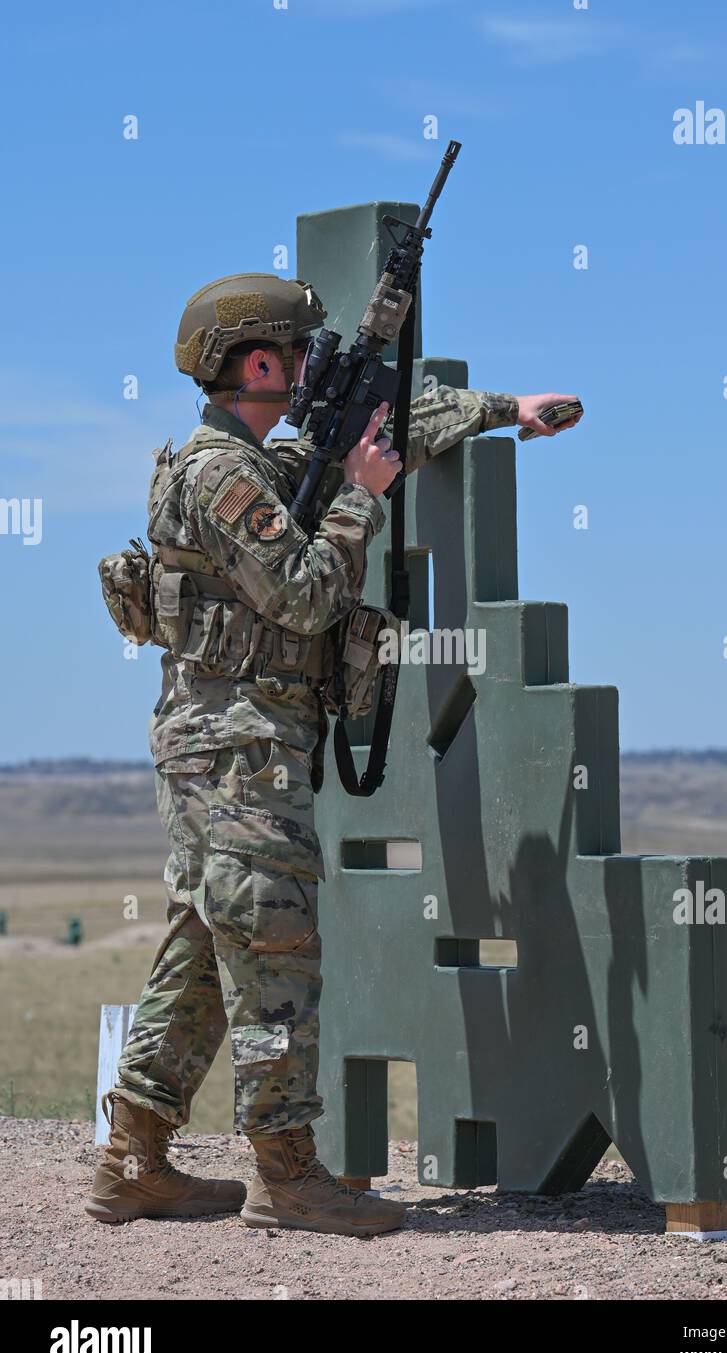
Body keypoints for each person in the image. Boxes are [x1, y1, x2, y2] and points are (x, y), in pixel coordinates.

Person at [86, 273, 581, 1237]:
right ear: (258, 363)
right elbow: (308, 597)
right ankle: (287, 1175)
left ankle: (133, 1161)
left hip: (228, 745)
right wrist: (359, 501)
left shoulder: (256, 461)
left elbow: (380, 425)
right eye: (298, 354)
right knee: (277, 950)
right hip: (240, 753)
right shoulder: (221, 475)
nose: (309, 371)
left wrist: (501, 412)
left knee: (201, 948)